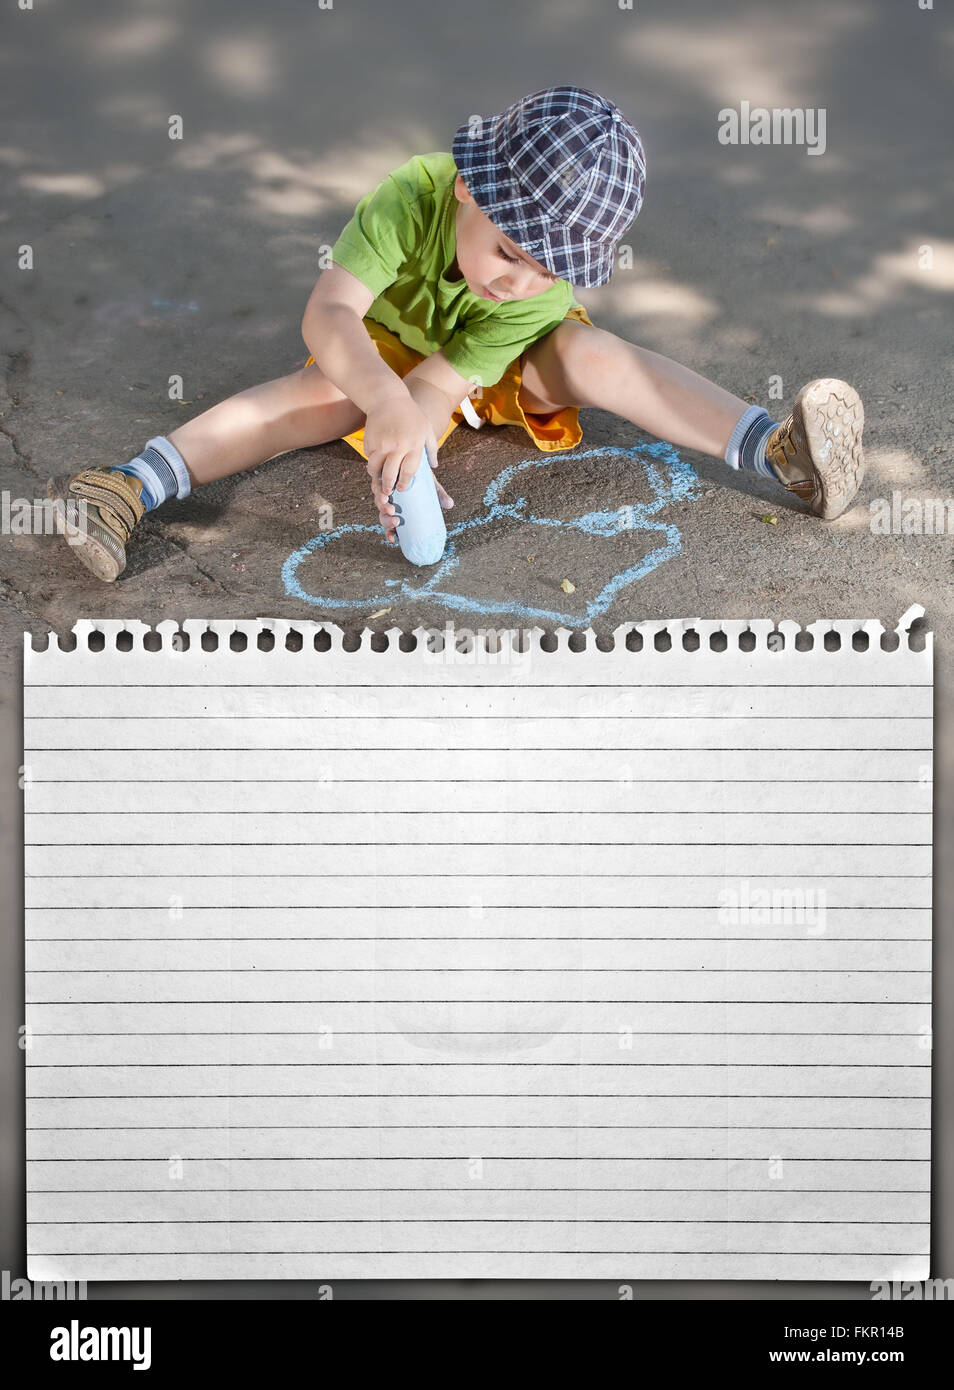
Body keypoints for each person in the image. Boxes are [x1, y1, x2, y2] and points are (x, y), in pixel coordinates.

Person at [48, 85, 864, 583]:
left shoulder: (536, 292)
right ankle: (128, 486)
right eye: (509, 251)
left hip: (495, 363)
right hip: (380, 347)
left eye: (550, 267)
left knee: (591, 354)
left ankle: (778, 451)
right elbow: (329, 314)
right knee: (325, 393)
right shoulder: (411, 195)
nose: (520, 279)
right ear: (470, 186)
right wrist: (383, 407)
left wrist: (415, 435)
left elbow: (447, 381)